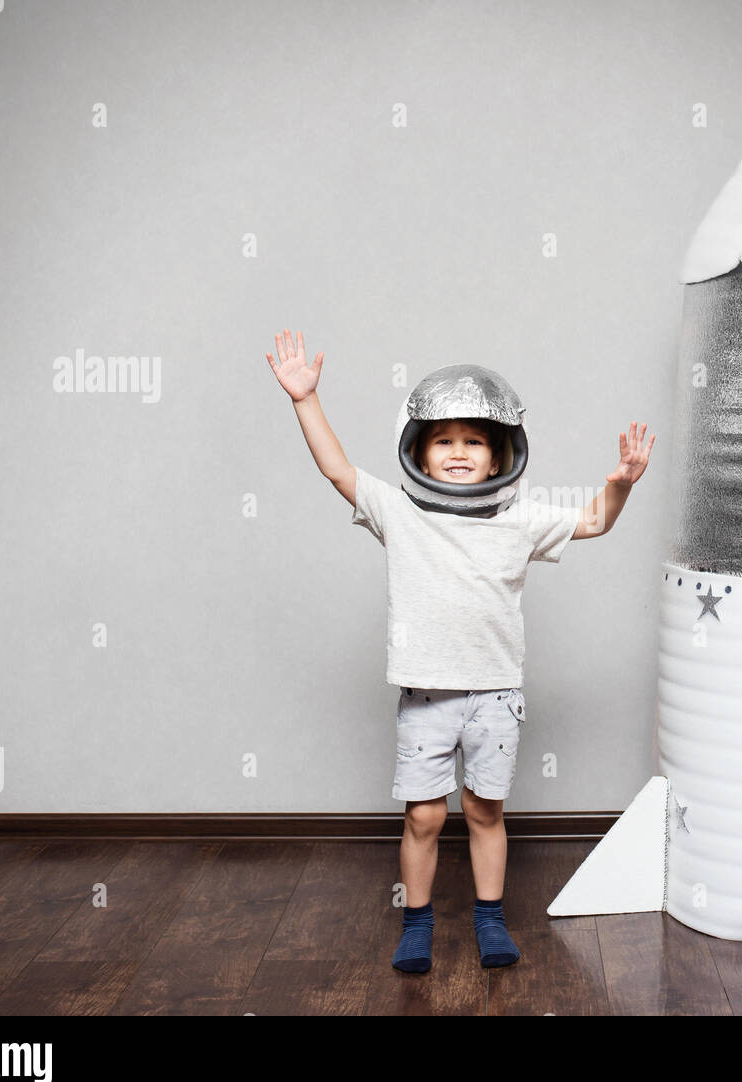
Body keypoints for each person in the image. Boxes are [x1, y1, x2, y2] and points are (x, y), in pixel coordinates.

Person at [266, 328, 655, 972]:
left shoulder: (522, 518)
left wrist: (622, 484)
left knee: (483, 810)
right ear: (418, 450)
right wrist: (305, 399)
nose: (457, 452)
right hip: (426, 696)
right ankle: (416, 925)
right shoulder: (402, 513)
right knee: (423, 817)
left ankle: (489, 919)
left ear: (498, 458)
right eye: (443, 440)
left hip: (495, 696)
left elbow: (592, 521)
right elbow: (338, 469)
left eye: (473, 441)